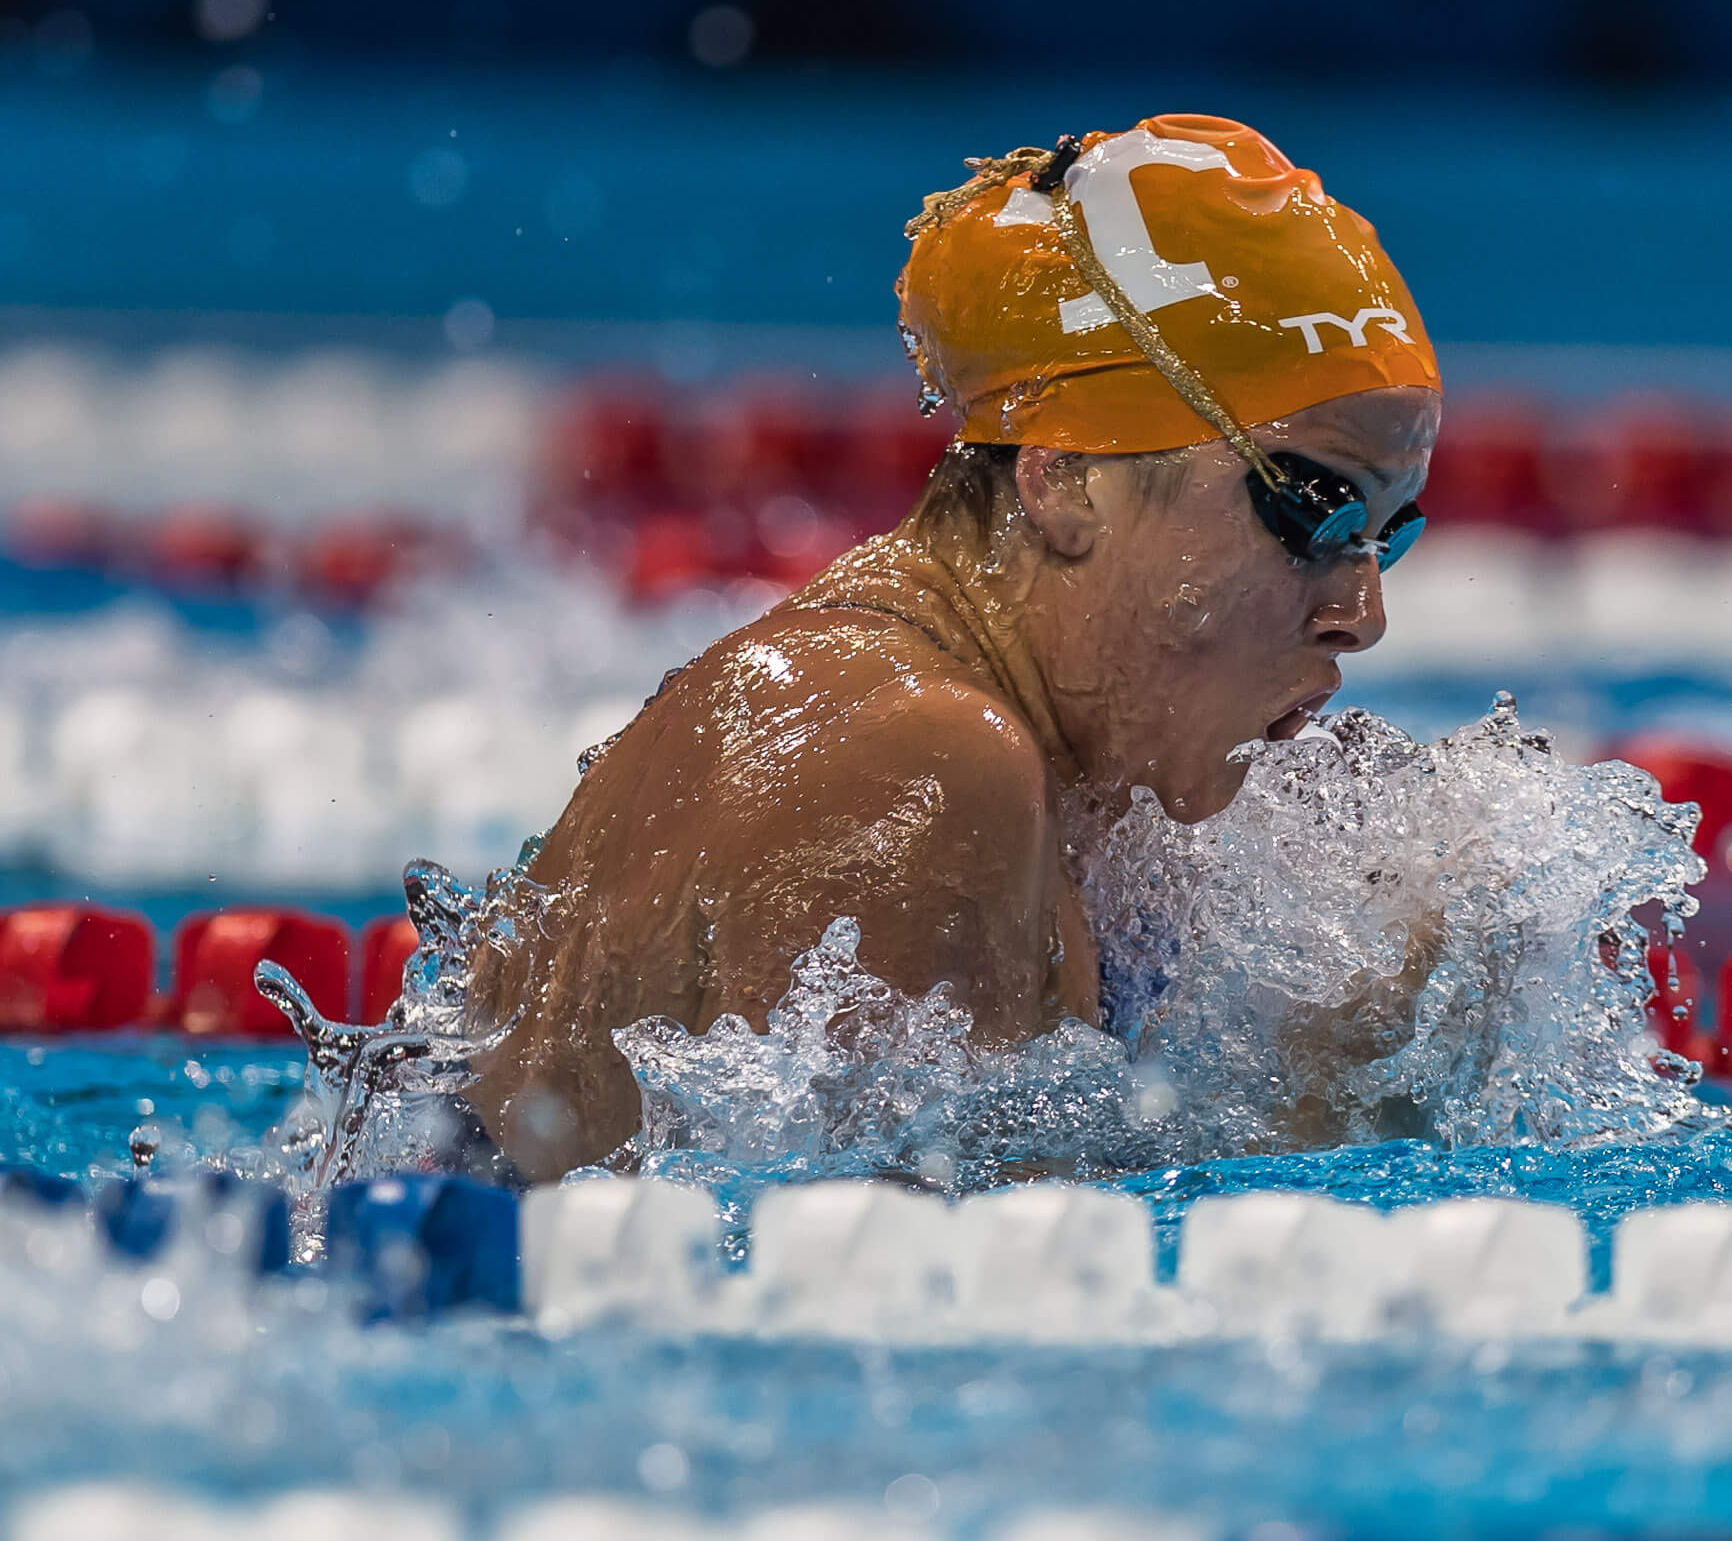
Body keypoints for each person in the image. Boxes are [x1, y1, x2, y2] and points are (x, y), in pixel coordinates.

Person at [465, 114, 1443, 1180]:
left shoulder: (1059, 771)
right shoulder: (920, 761)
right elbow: (898, 1305)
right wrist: (1320, 1112)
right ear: (1067, 476)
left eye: (1389, 532)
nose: (1363, 609)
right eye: (1314, 506)